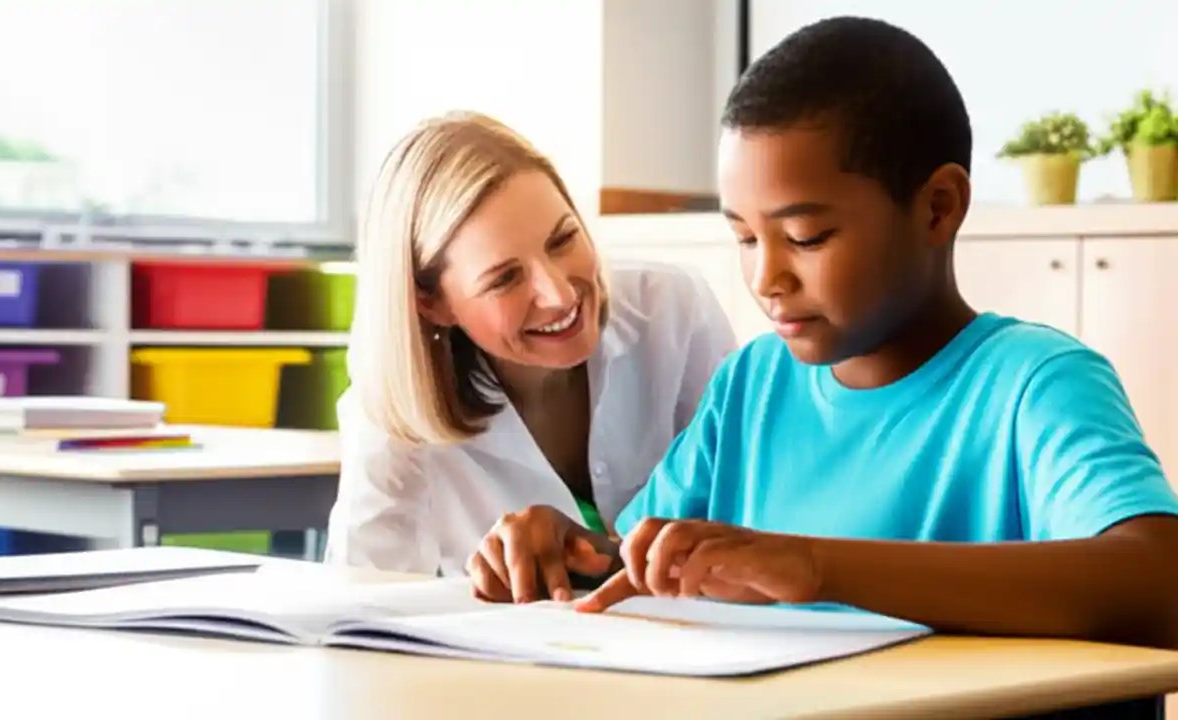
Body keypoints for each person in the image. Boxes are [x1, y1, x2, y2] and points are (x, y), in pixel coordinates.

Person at [468, 17, 1178, 648]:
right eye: (745, 238)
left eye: (806, 236)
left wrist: (814, 566)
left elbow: (1157, 579)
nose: (766, 276)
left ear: (938, 208)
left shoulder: (1034, 382)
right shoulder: (752, 385)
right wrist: (577, 552)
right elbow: (647, 560)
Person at [323, 111, 737, 584]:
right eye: (505, 278)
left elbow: (751, 514)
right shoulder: (394, 409)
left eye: (563, 239)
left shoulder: (672, 309)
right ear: (431, 302)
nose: (560, 294)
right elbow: (362, 600)